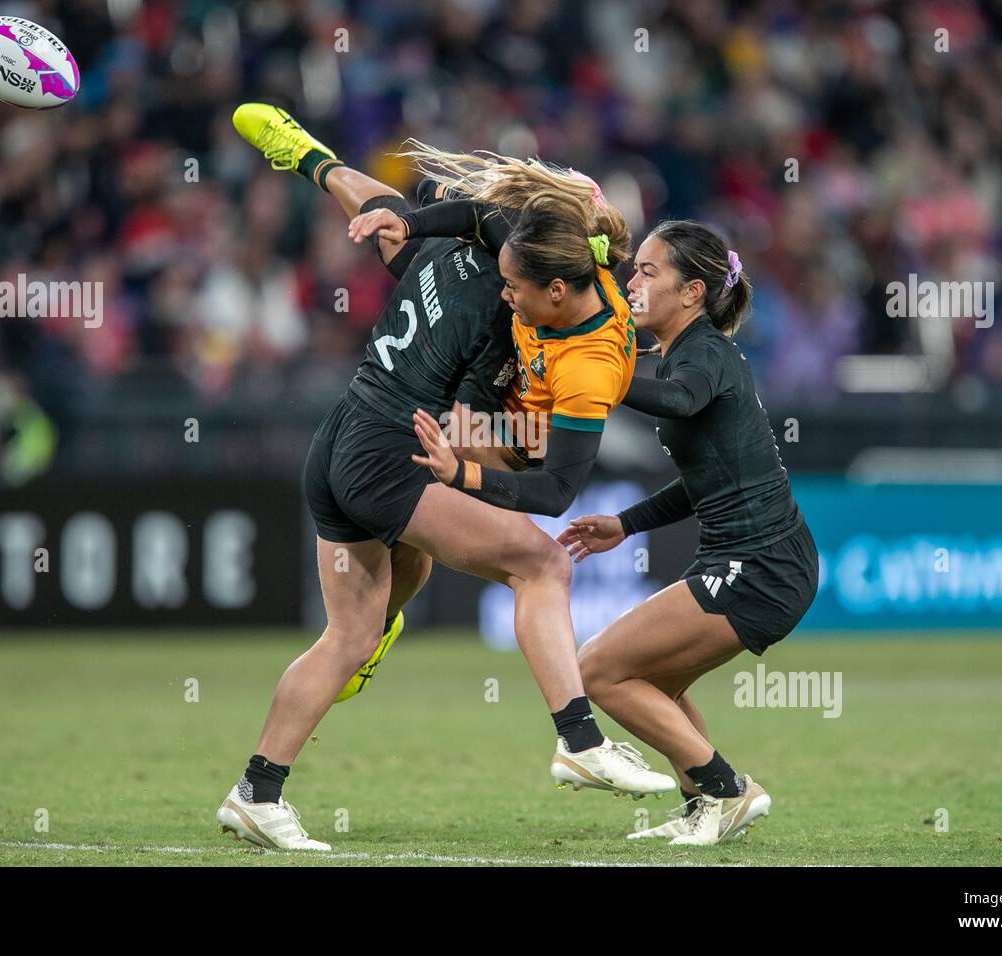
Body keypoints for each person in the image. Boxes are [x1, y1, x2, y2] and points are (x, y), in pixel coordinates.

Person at [216, 104, 673, 853]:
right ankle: (580, 739)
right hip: (392, 448)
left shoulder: (453, 247)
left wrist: (314, 161)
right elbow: (479, 437)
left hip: (340, 436)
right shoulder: (514, 308)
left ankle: (257, 792)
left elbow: (384, 213)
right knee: (541, 562)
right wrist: (516, 445)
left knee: (352, 632)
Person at [556, 221, 819, 846]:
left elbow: (679, 399)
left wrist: (603, 380)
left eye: (649, 272)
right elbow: (705, 480)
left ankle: (728, 791)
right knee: (656, 684)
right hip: (756, 560)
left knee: (596, 671)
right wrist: (627, 523)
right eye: (634, 270)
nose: (632, 282)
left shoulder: (703, 355)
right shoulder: (688, 353)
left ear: (693, 291)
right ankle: (704, 802)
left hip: (758, 565)